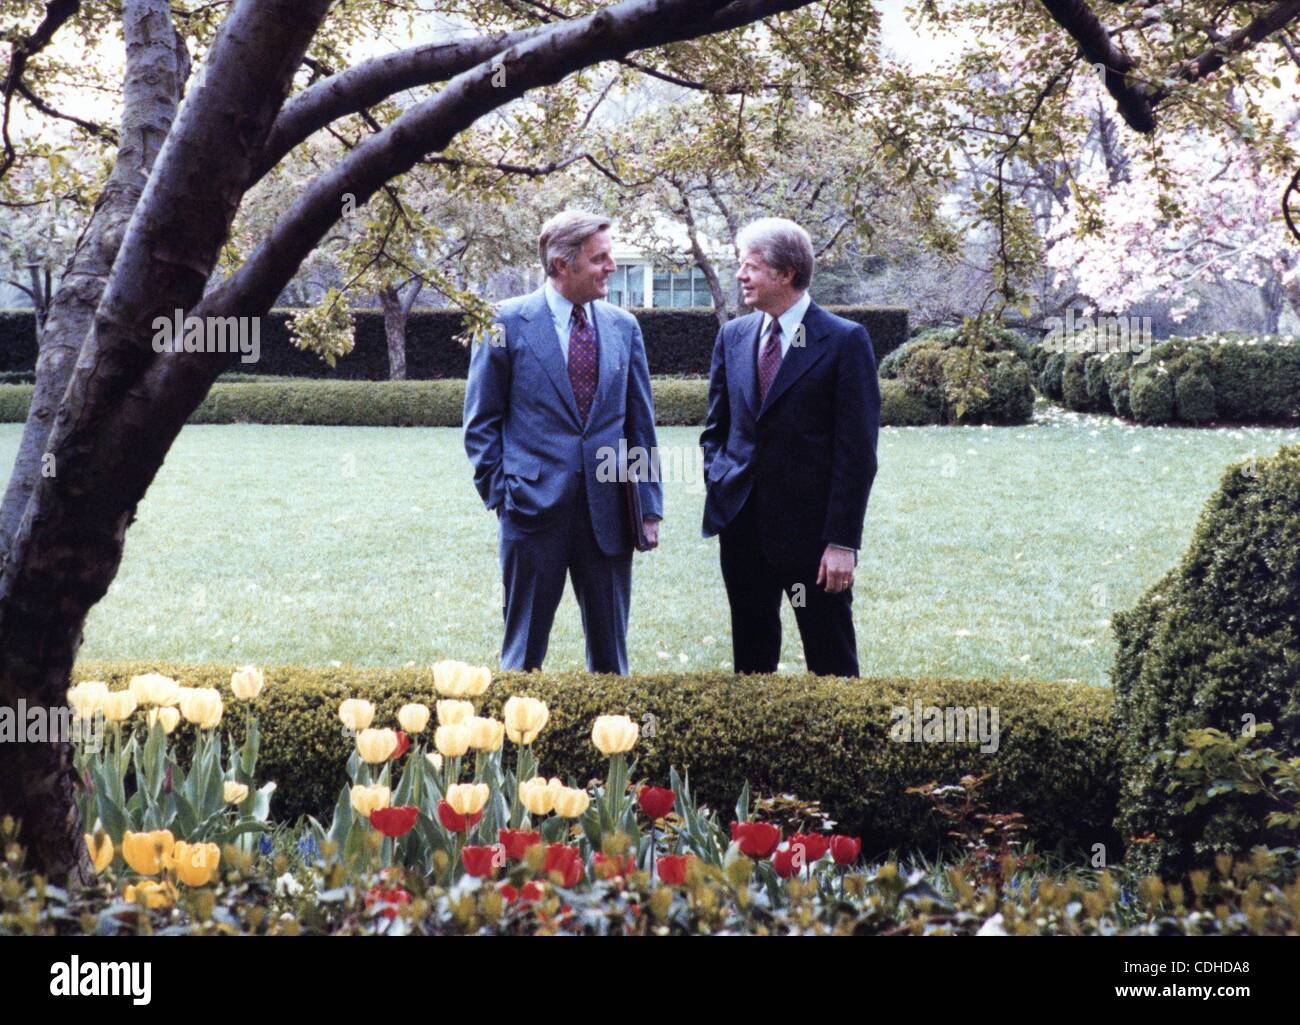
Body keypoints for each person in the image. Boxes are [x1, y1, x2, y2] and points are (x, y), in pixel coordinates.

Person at [464, 210, 662, 674]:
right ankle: (512, 746)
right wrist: (503, 496)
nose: (611, 267)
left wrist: (648, 507)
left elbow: (640, 426)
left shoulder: (623, 327)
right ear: (560, 265)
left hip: (609, 515)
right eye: (599, 259)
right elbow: (480, 422)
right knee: (523, 657)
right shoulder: (504, 323)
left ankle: (614, 745)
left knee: (612, 660)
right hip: (531, 513)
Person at [700, 217, 880, 677]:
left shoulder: (844, 341)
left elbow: (857, 454)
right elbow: (716, 430)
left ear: (785, 274)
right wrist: (720, 480)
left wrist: (842, 542)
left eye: (751, 266)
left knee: (832, 664)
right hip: (741, 530)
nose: (740, 276)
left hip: (815, 541)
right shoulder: (733, 337)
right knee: (752, 664)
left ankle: (845, 745)